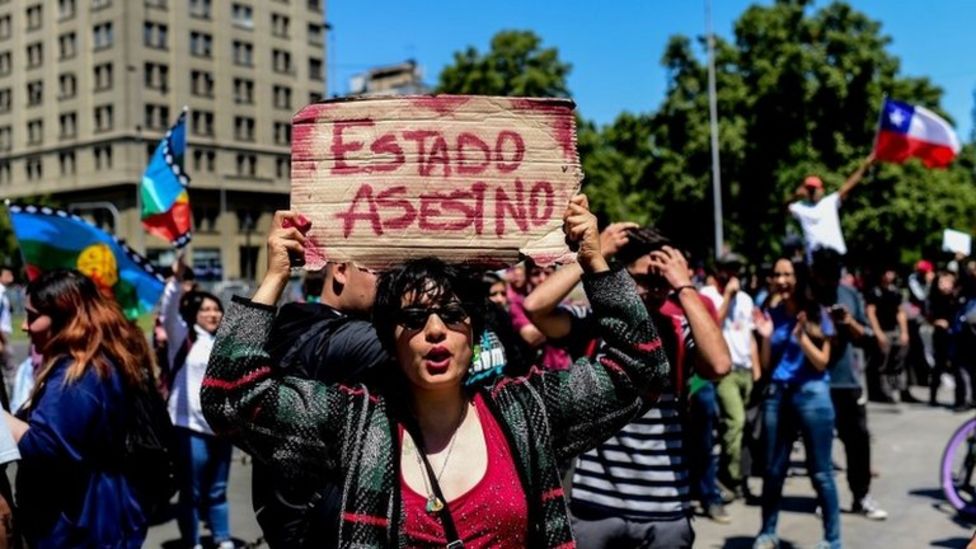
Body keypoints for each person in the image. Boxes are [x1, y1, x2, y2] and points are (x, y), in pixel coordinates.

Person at [202, 196, 672, 547]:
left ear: (473, 331)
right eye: (411, 320)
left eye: (451, 315)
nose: (433, 331)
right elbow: (229, 399)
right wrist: (274, 279)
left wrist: (593, 259)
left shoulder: (528, 413)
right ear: (389, 339)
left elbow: (643, 368)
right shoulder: (353, 424)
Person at [524, 224, 731, 546]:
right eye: (643, 280)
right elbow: (535, 307)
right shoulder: (595, 324)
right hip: (594, 506)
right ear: (621, 275)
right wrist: (593, 254)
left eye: (662, 282)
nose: (654, 291)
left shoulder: (677, 330)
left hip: (665, 508)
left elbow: (719, 364)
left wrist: (685, 287)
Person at [4, 269, 152, 547]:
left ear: (66, 318)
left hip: (80, 523)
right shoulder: (98, 361)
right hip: (97, 513)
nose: (25, 326)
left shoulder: (79, 374)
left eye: (33, 316)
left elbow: (45, 446)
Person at [254, 261, 388, 549]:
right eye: (381, 271)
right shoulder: (340, 337)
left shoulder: (299, 324)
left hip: (298, 518)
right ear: (340, 270)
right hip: (322, 526)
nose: (393, 282)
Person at [753, 258, 840, 549]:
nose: (781, 280)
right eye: (776, 274)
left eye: (787, 274)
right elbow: (766, 365)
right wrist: (765, 338)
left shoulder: (817, 314)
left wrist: (802, 339)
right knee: (773, 470)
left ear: (798, 278)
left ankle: (832, 540)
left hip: (812, 394)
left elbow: (822, 361)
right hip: (778, 395)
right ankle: (767, 533)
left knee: (821, 473)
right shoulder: (771, 314)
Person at [160, 260, 233, 549]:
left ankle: (223, 538)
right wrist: (176, 281)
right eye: (206, 309)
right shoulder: (183, 337)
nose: (213, 314)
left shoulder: (225, 342)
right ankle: (192, 542)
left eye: (216, 309)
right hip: (189, 429)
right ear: (194, 314)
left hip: (221, 430)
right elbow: (167, 311)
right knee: (191, 492)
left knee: (217, 490)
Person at [811, 248, 888, 521]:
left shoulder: (850, 294)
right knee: (818, 445)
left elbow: (868, 337)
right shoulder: (809, 295)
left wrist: (849, 322)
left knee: (858, 441)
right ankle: (824, 497)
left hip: (848, 381)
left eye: (834, 277)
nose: (830, 283)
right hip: (815, 381)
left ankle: (861, 495)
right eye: (825, 277)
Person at [700, 252, 762, 500]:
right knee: (734, 423)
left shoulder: (746, 299)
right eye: (729, 268)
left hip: (745, 368)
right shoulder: (709, 296)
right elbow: (712, 325)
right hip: (725, 370)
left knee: (744, 426)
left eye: (737, 268)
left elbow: (750, 335)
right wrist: (728, 296)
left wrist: (756, 368)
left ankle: (741, 477)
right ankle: (728, 477)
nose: (734, 273)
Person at [787, 153, 874, 258]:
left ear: (821, 190)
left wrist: (865, 166)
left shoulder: (829, 202)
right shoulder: (799, 207)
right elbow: (783, 208)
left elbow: (849, 185)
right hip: (816, 257)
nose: (812, 192)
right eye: (809, 190)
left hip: (836, 254)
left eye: (814, 189)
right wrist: (795, 195)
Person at [866, 268, 913, 403]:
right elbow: (871, 312)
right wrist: (878, 332)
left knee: (899, 359)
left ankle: (902, 389)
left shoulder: (895, 291)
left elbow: (900, 312)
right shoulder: (875, 292)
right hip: (882, 329)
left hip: (894, 329)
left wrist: (904, 332)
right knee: (882, 362)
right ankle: (883, 391)